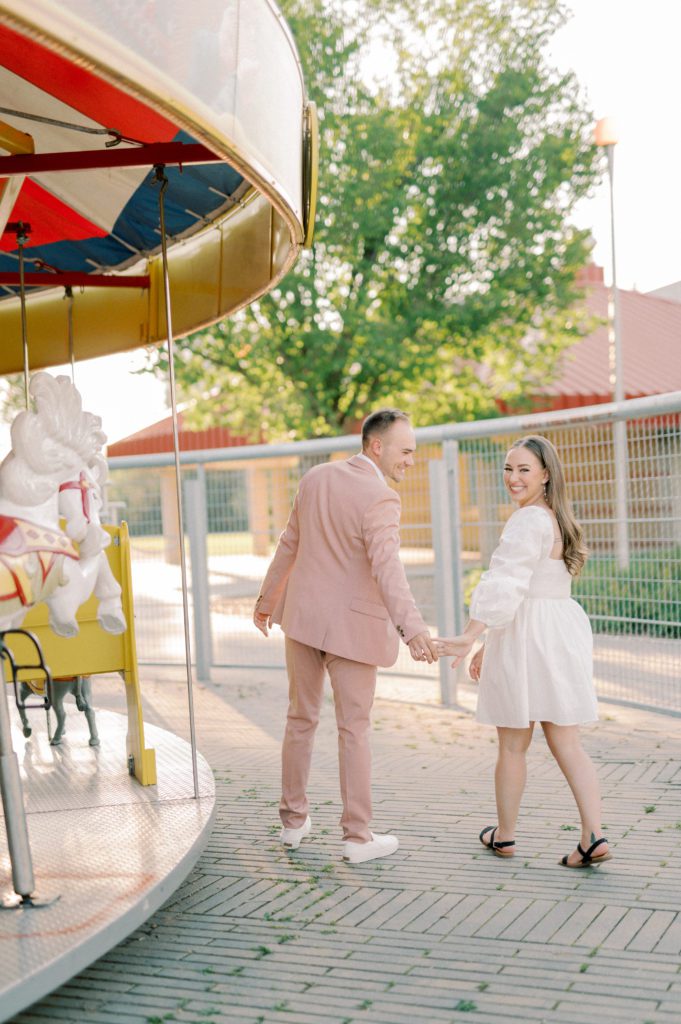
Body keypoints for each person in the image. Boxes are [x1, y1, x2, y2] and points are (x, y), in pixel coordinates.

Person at [254, 409, 438, 864]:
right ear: (377, 446)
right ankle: (357, 837)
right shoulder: (381, 498)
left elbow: (288, 543)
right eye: (406, 451)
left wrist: (265, 601)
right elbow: (388, 570)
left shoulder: (316, 477)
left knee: (300, 719)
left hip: (302, 620)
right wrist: (414, 629)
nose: (411, 460)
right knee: (353, 729)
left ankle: (292, 823)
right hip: (351, 630)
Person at [435, 435, 611, 869]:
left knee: (513, 744)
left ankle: (506, 836)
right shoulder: (554, 518)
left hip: (529, 635)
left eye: (524, 470)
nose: (513, 478)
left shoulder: (528, 520)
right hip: (554, 633)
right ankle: (593, 835)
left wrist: (471, 634)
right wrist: (488, 641)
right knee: (566, 741)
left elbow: (506, 583)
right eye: (508, 469)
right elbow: (522, 588)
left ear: (546, 475)